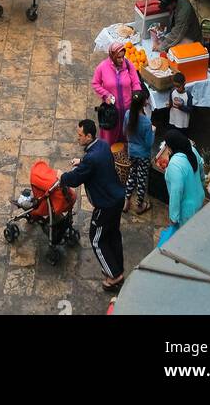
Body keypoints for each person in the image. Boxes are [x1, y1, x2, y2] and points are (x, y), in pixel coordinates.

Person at [60, 119, 126, 291]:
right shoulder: (103, 146)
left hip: (106, 205)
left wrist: (61, 177)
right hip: (117, 197)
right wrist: (81, 161)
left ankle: (114, 276)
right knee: (112, 235)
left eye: (80, 135)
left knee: (97, 239)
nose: (77, 138)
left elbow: (75, 179)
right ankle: (118, 267)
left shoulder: (91, 160)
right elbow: (93, 161)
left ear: (89, 136)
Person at [92, 40, 142, 146]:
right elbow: (95, 83)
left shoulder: (128, 65)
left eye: (123, 56)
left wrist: (137, 95)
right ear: (112, 55)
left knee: (126, 133)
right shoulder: (102, 67)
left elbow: (136, 82)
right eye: (118, 57)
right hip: (111, 111)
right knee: (110, 136)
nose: (121, 60)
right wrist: (106, 95)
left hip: (127, 109)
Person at [164, 130, 206, 231]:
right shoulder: (192, 150)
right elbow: (201, 170)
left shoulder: (175, 164)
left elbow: (176, 192)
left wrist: (174, 217)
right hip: (199, 198)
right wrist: (202, 185)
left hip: (187, 211)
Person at [122, 88, 154, 215]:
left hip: (132, 151)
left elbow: (125, 132)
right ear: (144, 104)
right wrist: (153, 132)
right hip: (143, 155)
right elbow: (149, 143)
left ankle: (126, 202)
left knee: (132, 174)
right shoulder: (147, 122)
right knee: (141, 179)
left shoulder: (127, 114)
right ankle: (139, 205)